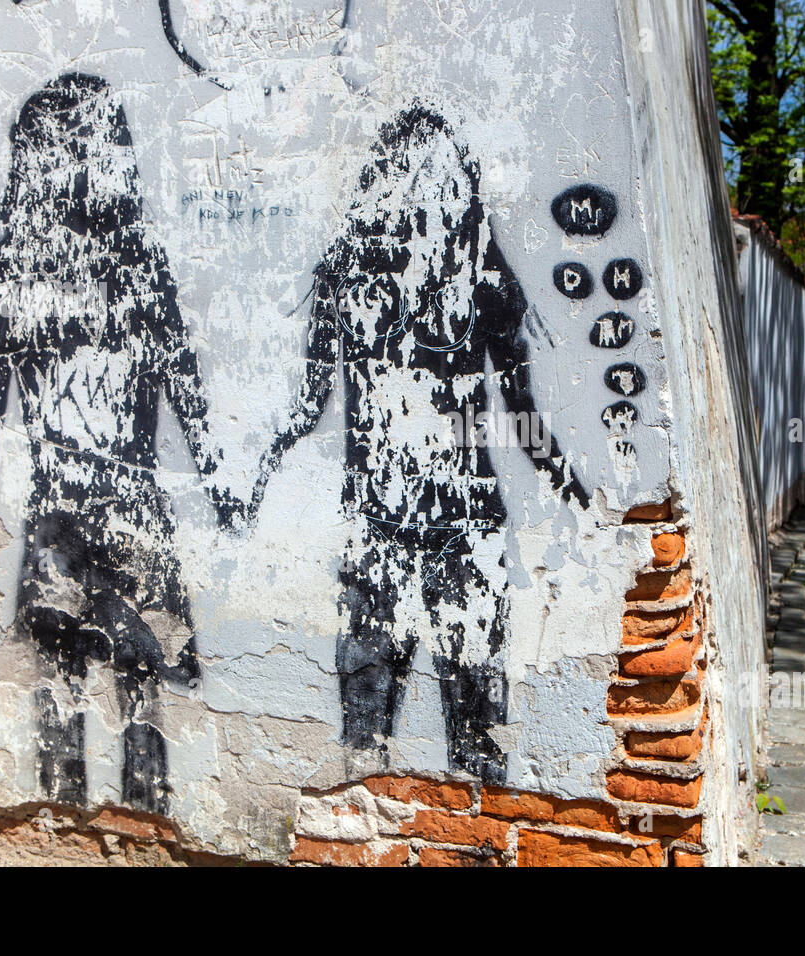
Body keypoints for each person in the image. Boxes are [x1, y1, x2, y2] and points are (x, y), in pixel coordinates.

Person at [249, 104, 588, 783]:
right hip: (410, 530)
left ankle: (446, 843)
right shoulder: (361, 280)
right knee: (395, 734)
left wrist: (577, 495)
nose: (412, 198)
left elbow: (522, 418)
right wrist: (258, 475)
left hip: (442, 530)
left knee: (434, 733)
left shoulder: (479, 283)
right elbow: (523, 421)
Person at [0, 72, 241, 813]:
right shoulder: (121, 269)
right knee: (119, 686)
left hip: (81, 513)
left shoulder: (21, 270)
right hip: (111, 514)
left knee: (97, 684)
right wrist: (221, 488)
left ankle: (89, 823)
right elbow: (185, 393)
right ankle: (126, 825)